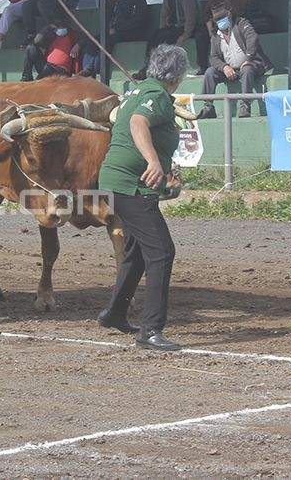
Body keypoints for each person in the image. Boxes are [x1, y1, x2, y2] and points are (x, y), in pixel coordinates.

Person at [97, 44, 188, 352]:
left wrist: (161, 163)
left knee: (137, 251)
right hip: (130, 185)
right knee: (162, 251)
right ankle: (151, 330)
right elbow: (138, 124)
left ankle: (115, 313)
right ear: (177, 76)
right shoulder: (157, 97)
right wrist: (152, 161)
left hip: (117, 181)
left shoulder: (140, 92)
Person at [201, 7, 273, 119]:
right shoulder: (216, 36)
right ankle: (208, 106)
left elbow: (252, 39)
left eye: (222, 18)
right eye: (217, 20)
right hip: (231, 70)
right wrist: (224, 67)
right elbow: (214, 58)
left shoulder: (241, 24)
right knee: (210, 72)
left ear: (229, 15)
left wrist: (248, 58)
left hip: (252, 64)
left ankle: (245, 105)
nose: (221, 21)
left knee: (247, 69)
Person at [79, 0, 150, 77]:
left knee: (107, 41)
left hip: (131, 32)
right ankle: (87, 68)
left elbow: (137, 21)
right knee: (92, 40)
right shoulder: (117, 0)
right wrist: (112, 1)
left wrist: (117, 29)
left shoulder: (138, 0)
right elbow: (106, 16)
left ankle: (95, 67)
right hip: (115, 30)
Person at [132, 0, 199, 80]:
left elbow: (190, 16)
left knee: (163, 38)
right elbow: (164, 14)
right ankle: (148, 66)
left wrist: (185, 36)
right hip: (173, 27)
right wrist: (162, 29)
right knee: (154, 37)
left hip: (185, 27)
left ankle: (154, 69)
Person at [22, 5, 80, 81]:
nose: (60, 27)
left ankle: (40, 80)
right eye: (58, 24)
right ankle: (27, 77)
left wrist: (78, 45)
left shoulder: (72, 34)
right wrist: (47, 28)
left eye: (62, 24)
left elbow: (86, 38)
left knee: (48, 68)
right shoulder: (51, 35)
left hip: (62, 71)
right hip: (47, 67)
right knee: (31, 48)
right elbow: (36, 42)